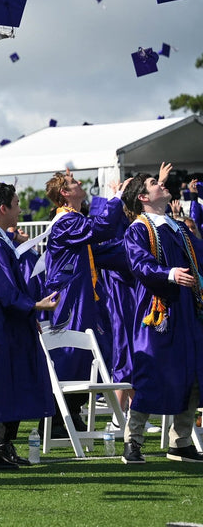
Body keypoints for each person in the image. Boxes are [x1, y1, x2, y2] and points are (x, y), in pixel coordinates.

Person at [0, 182, 59, 469]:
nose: (20, 208)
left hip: (10, 326)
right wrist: (34, 306)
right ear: (4, 208)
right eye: (17, 203)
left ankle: (2, 445)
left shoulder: (0, 241)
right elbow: (3, 290)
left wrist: (29, 315)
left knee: (15, 384)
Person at [118, 172, 203, 464]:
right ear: (143, 197)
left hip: (188, 310)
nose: (161, 184)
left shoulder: (178, 228)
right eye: (154, 183)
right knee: (150, 372)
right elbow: (139, 263)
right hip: (158, 311)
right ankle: (133, 441)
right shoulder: (139, 229)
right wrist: (169, 273)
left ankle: (180, 442)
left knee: (192, 373)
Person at [40, 169, 128, 435]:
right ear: (64, 193)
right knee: (70, 353)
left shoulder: (75, 221)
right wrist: (115, 198)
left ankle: (73, 411)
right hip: (68, 298)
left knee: (87, 353)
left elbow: (100, 249)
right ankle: (57, 418)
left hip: (83, 296)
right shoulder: (65, 222)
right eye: (73, 182)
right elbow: (100, 229)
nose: (79, 183)